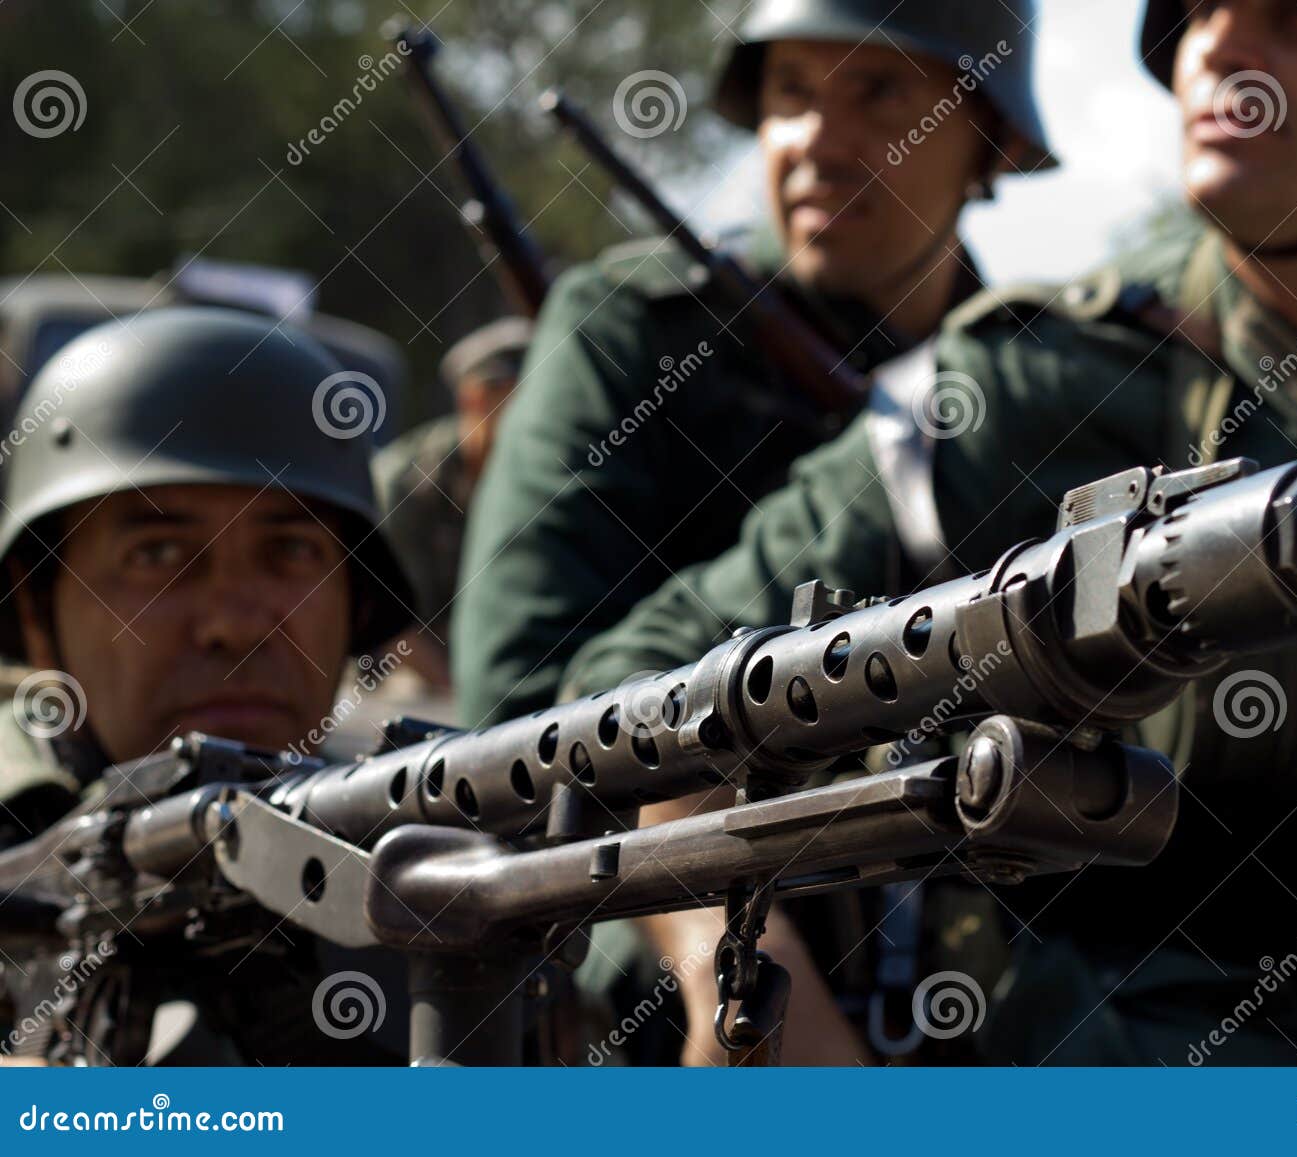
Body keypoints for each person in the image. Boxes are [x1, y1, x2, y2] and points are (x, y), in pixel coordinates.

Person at [561, 0, 1297, 1065]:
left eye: (1295, 17)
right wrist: (745, 990)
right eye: (1199, 14)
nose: (1215, 51)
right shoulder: (1034, 385)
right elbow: (635, 690)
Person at [454, 0, 1057, 1065]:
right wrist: (722, 944)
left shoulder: (1035, 384)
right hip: (652, 935)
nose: (818, 140)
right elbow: (518, 729)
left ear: (992, 141)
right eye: (789, 93)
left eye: (879, 92)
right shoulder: (632, 332)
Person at [0, 307, 416, 1064]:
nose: (234, 622)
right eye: (157, 552)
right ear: (36, 609)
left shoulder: (422, 852)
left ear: (353, 599)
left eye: (289, 549)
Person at [373, 316, 535, 690]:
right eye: (522, 399)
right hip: (405, 680)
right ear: (475, 398)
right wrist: (465, 700)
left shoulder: (537, 479)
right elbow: (395, 625)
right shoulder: (407, 482)